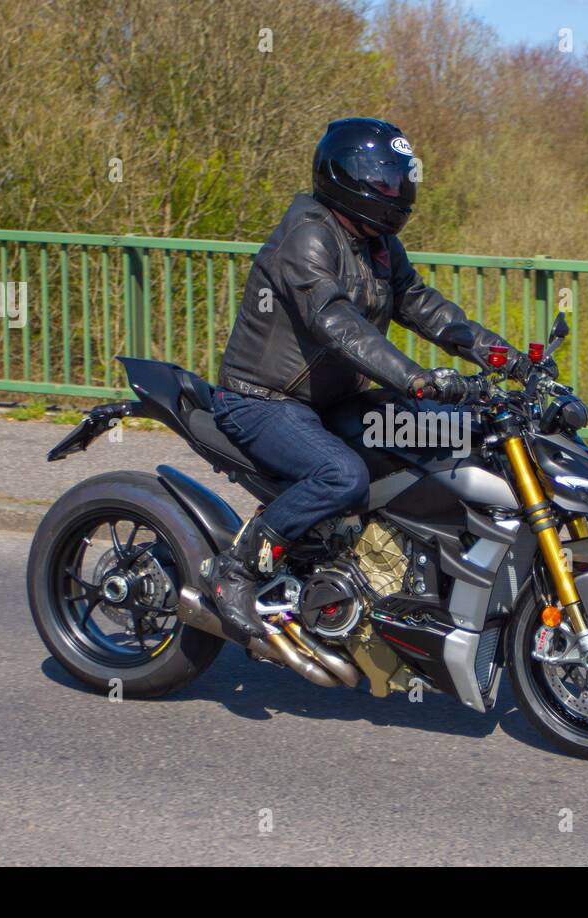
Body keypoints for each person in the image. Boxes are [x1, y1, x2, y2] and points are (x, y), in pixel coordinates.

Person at [203, 117, 542, 644]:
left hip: (332, 400)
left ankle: (397, 573)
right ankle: (238, 572)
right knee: (342, 476)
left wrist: (507, 359)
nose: (395, 189)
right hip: (263, 401)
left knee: (451, 436)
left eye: (399, 178)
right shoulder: (308, 236)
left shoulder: (378, 242)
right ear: (344, 178)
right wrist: (417, 379)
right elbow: (337, 324)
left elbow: (427, 309)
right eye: (382, 178)